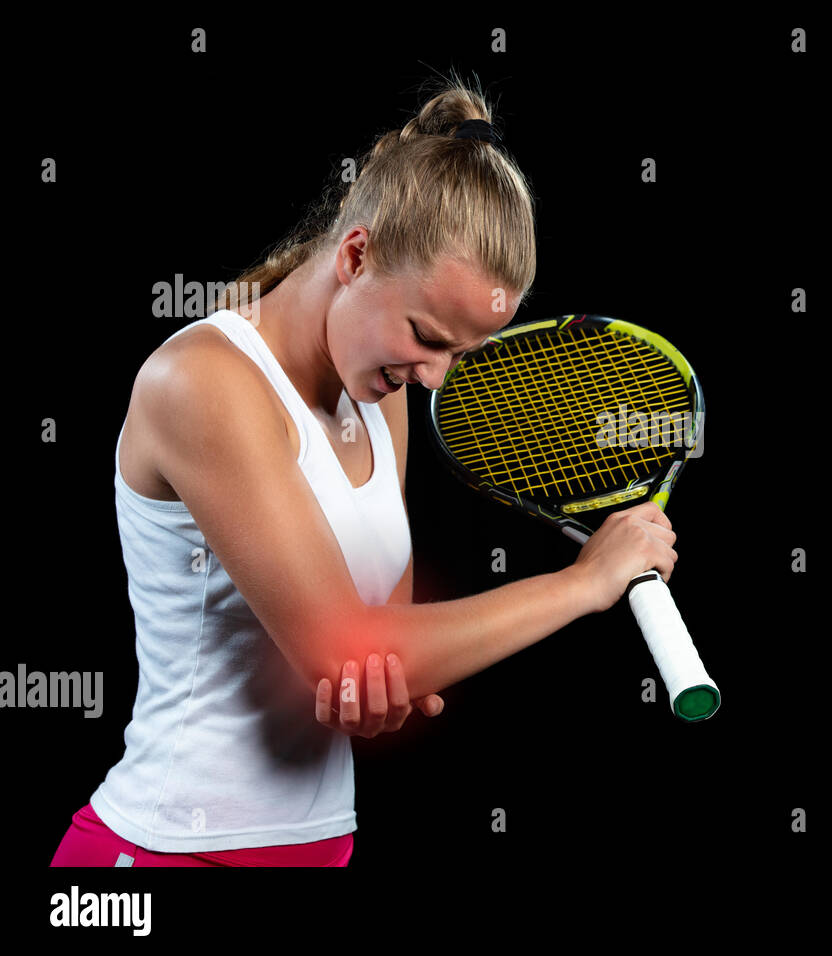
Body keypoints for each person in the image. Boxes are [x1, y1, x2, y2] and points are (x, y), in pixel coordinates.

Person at [50, 75, 678, 867]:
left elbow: (385, 649)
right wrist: (586, 583)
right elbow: (348, 644)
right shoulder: (203, 383)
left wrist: (381, 692)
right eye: (426, 334)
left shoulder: (380, 392)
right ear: (355, 253)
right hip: (165, 850)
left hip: (321, 844)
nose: (437, 377)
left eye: (460, 353)